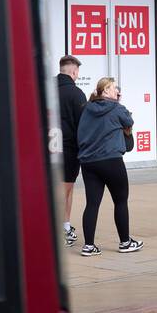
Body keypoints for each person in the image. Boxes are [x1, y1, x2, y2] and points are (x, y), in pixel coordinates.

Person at [76, 77, 143, 256]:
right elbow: (128, 123)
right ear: (105, 91)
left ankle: (88, 246)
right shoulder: (117, 108)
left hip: (88, 163)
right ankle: (125, 242)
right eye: (114, 88)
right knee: (120, 201)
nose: (117, 91)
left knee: (92, 204)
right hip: (111, 161)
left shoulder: (87, 109)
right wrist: (118, 103)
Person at [56, 55, 87, 246]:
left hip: (46, 150)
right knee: (66, 190)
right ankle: (61, 229)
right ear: (74, 72)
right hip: (68, 149)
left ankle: (65, 226)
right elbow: (83, 126)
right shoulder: (76, 94)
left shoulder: (44, 90)